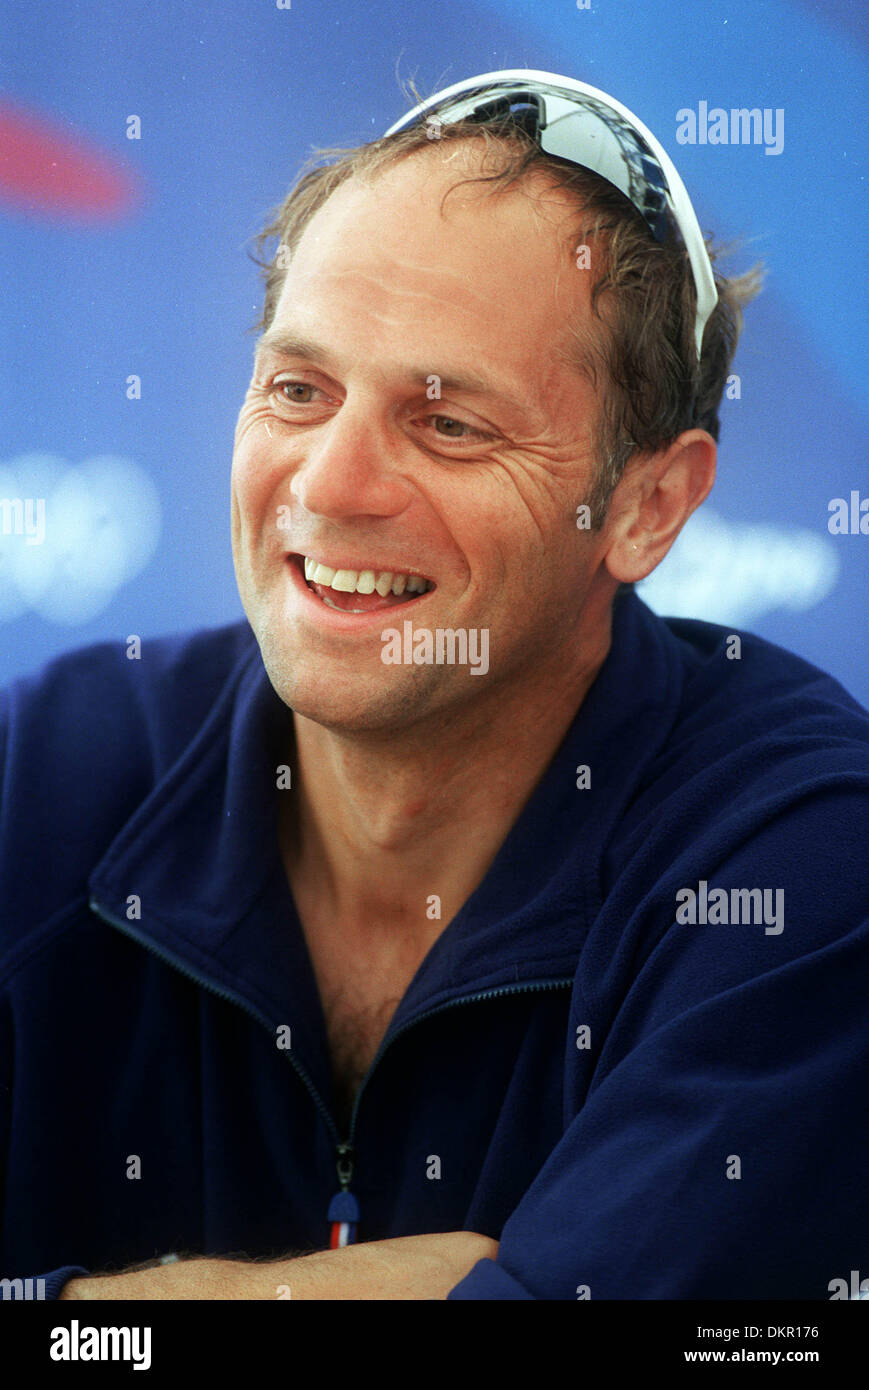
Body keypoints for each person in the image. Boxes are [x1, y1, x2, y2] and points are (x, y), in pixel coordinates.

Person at [2, 71, 867, 1302]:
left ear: (644, 506)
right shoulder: (44, 773)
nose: (332, 484)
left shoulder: (796, 867)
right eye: (298, 390)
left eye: (449, 423)